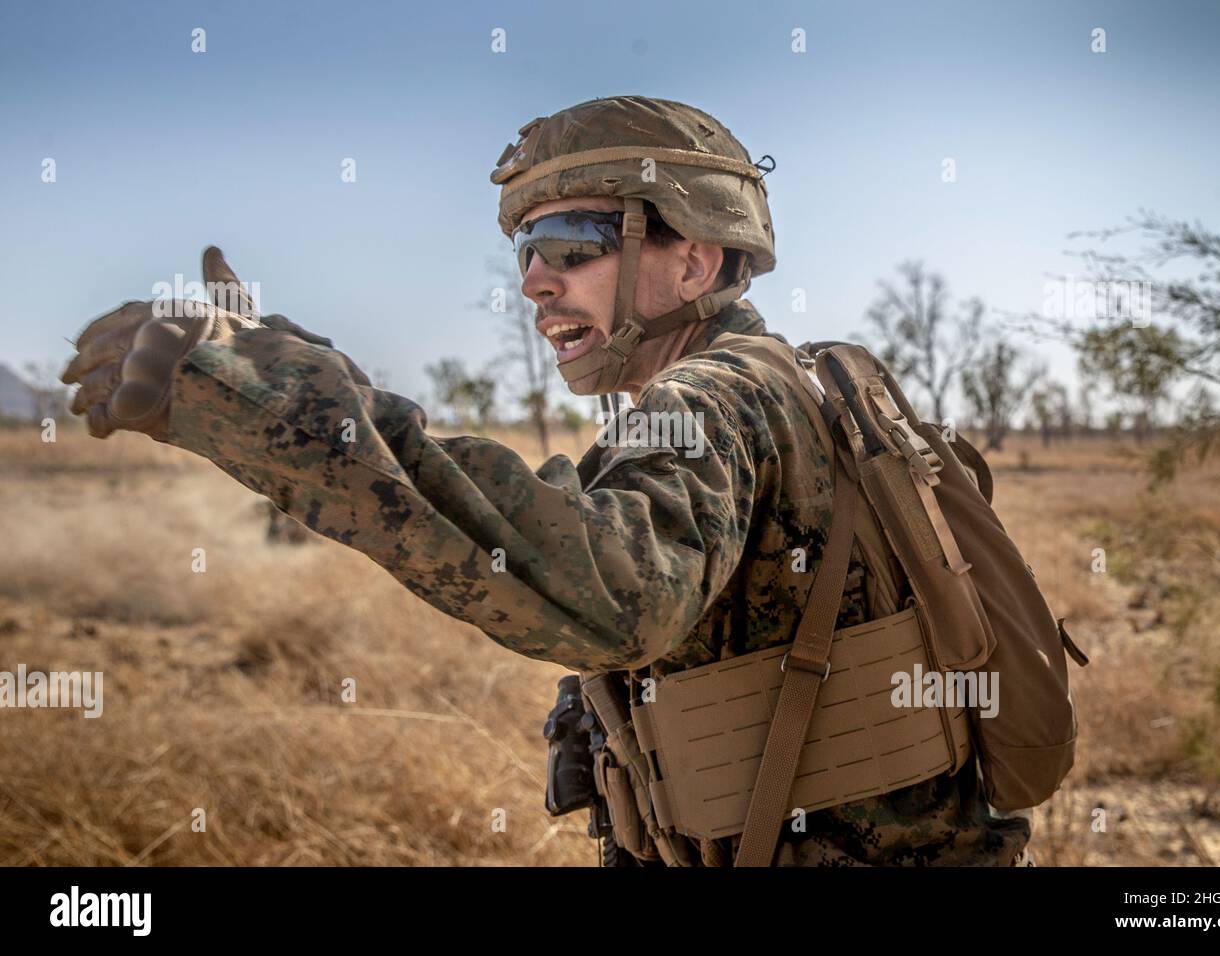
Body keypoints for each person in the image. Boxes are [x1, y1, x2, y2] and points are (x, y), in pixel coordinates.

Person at [61, 95, 1032, 866]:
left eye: (573, 242)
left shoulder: (712, 400)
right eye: (524, 248)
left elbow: (606, 595)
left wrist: (268, 394)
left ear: (692, 260)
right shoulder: (800, 378)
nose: (533, 278)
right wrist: (305, 370)